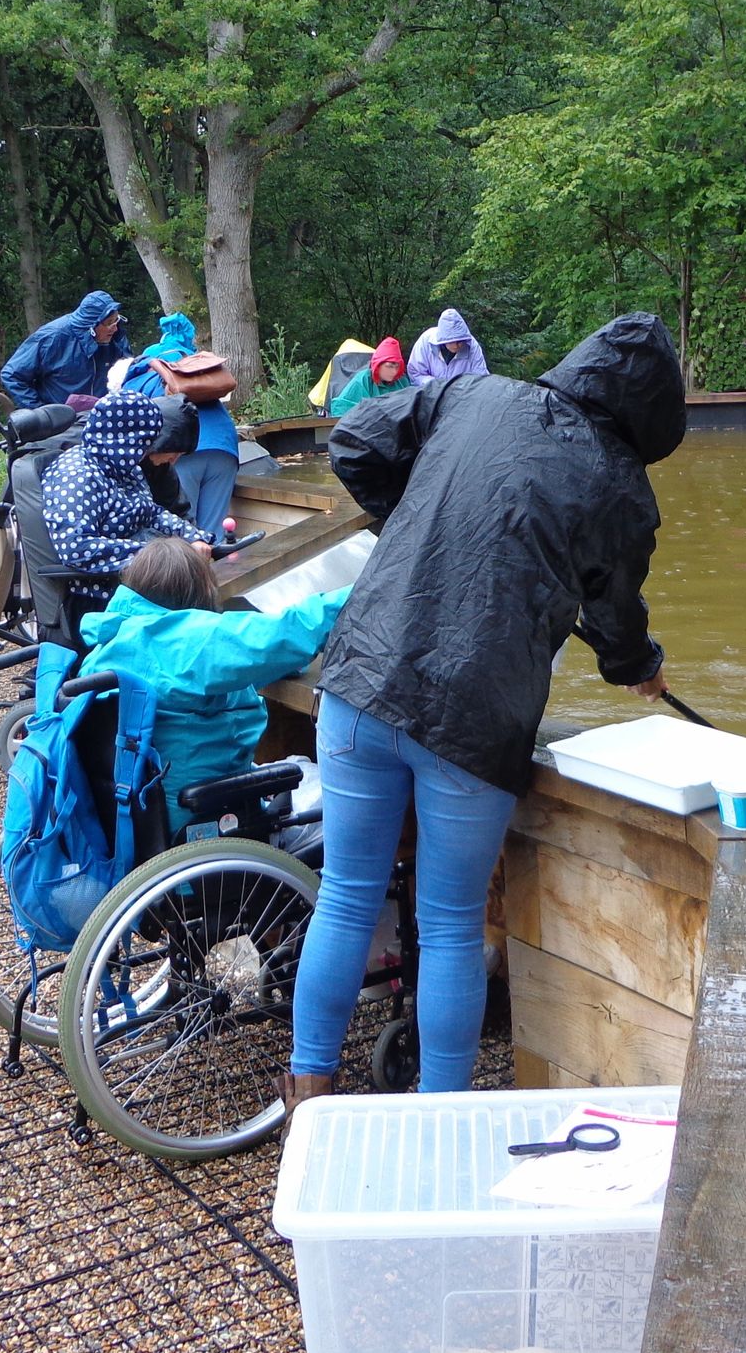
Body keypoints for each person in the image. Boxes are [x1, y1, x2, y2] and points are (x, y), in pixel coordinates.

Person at [282, 313, 685, 1108]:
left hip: (360, 682)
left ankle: (307, 1094)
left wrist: (417, 521)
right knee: (452, 928)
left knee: (347, 896)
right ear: (652, 414)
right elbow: (615, 616)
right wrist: (638, 669)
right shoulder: (622, 490)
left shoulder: (467, 397)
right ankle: (441, 1119)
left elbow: (354, 441)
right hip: (475, 725)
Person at [80, 537, 348, 821]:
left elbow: (195, 676)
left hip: (138, 815)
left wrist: (275, 665)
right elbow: (285, 632)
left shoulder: (112, 642)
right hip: (202, 816)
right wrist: (371, 587)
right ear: (195, 589)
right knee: (320, 781)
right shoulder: (186, 640)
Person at [39, 390, 214, 606]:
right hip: (99, 595)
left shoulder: (125, 467)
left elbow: (151, 513)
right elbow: (76, 548)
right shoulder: (77, 475)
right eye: (145, 442)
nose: (148, 450)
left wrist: (193, 537)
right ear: (125, 438)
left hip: (137, 582)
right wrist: (159, 556)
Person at [123, 312, 241, 539]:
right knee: (211, 535)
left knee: (180, 534)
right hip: (224, 448)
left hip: (180, 452)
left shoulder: (140, 377)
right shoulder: (200, 374)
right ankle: (218, 573)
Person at [0, 290, 130, 408]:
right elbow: (12, 374)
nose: (115, 328)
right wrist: (40, 411)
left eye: (116, 320)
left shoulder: (116, 338)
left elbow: (130, 373)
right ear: (91, 326)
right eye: (109, 323)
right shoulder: (52, 337)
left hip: (103, 420)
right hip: (61, 425)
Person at [328, 336, 409, 418]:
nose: (394, 371)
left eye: (397, 367)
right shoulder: (363, 380)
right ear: (378, 364)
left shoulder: (402, 382)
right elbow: (340, 408)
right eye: (389, 366)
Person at [405, 307, 488, 386]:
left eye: (459, 341)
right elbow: (415, 373)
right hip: (430, 394)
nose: (456, 345)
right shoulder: (426, 341)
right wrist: (438, 385)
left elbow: (481, 378)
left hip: (462, 395)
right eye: (451, 341)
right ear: (442, 339)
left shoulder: (472, 346)